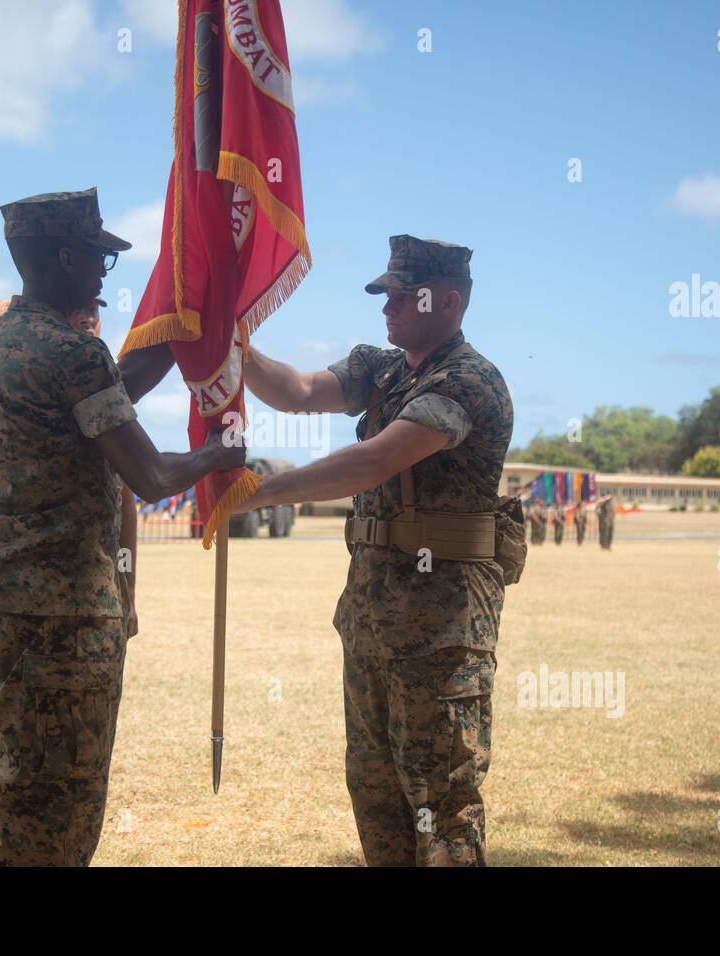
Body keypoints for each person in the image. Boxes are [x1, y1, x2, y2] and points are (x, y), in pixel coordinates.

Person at [0, 188, 240, 867]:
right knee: (57, 802)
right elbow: (154, 477)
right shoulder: (74, 353)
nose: (106, 274)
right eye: (99, 259)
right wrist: (219, 454)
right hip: (63, 620)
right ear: (67, 258)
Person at [236, 234, 523, 867]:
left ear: (447, 301)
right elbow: (298, 391)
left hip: (442, 626)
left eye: (400, 295)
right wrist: (235, 349)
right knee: (376, 792)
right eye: (383, 294)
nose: (386, 306)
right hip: (372, 620)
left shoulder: (470, 381)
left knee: (442, 801)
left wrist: (257, 492)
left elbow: (375, 460)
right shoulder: (383, 368)